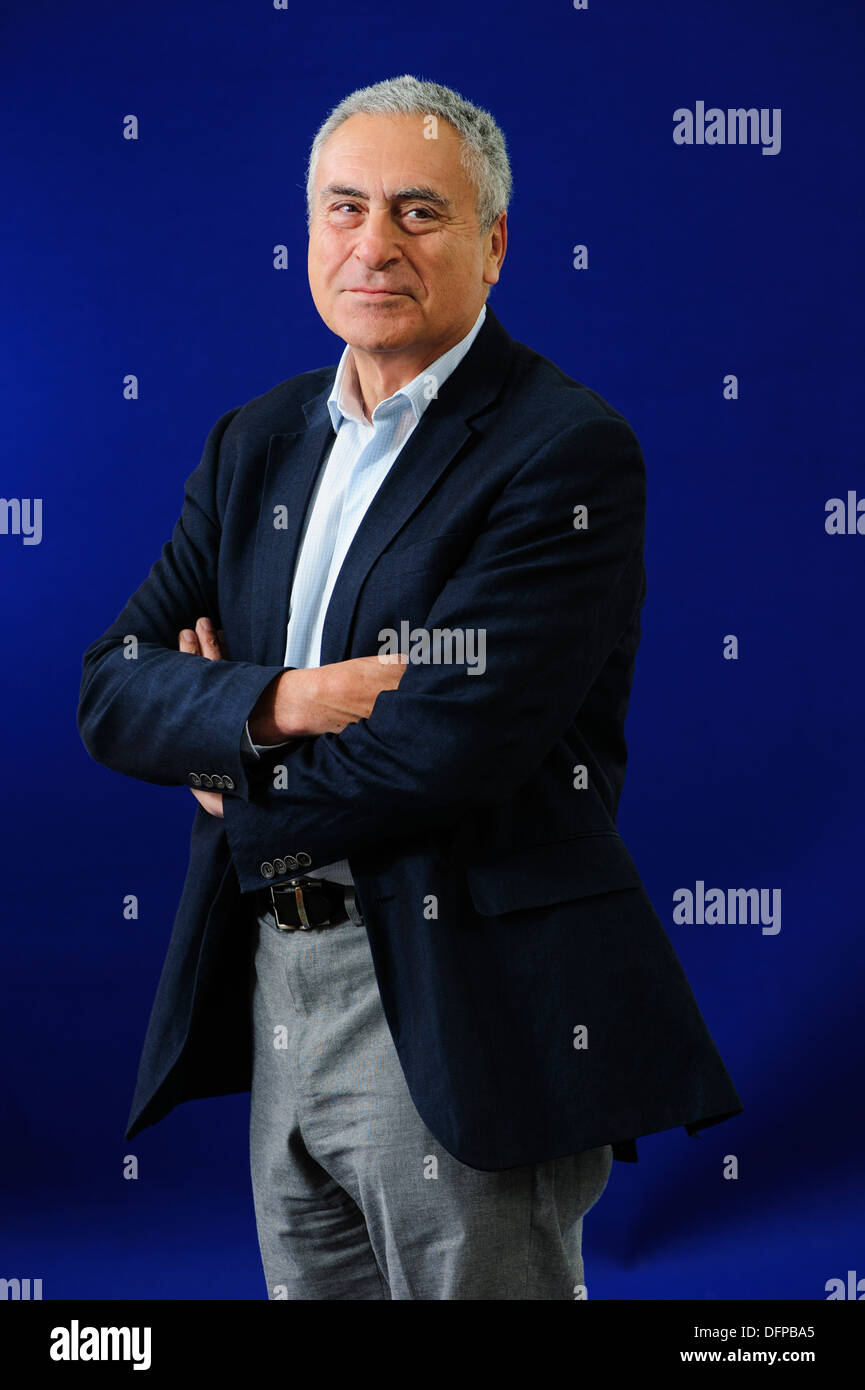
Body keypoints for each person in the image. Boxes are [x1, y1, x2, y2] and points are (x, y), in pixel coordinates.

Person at [77, 74, 743, 1301]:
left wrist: (226, 779)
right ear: (308, 230)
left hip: (459, 997)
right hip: (281, 978)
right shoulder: (254, 442)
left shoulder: (563, 451)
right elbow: (112, 687)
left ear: (493, 246)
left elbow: (447, 752)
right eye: (343, 208)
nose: (372, 244)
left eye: (418, 213)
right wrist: (282, 702)